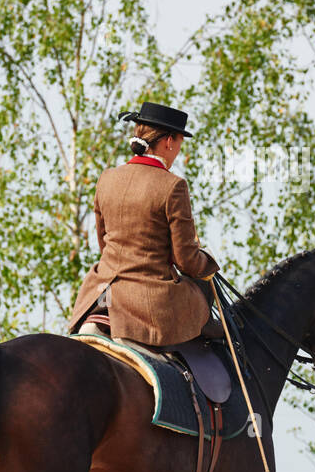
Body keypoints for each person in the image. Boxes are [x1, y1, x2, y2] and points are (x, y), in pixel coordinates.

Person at [67, 101, 224, 349]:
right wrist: (208, 264)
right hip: (148, 301)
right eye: (180, 143)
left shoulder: (106, 178)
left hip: (99, 293)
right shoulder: (173, 185)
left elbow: (103, 241)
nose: (178, 151)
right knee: (201, 301)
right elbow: (186, 261)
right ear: (169, 141)